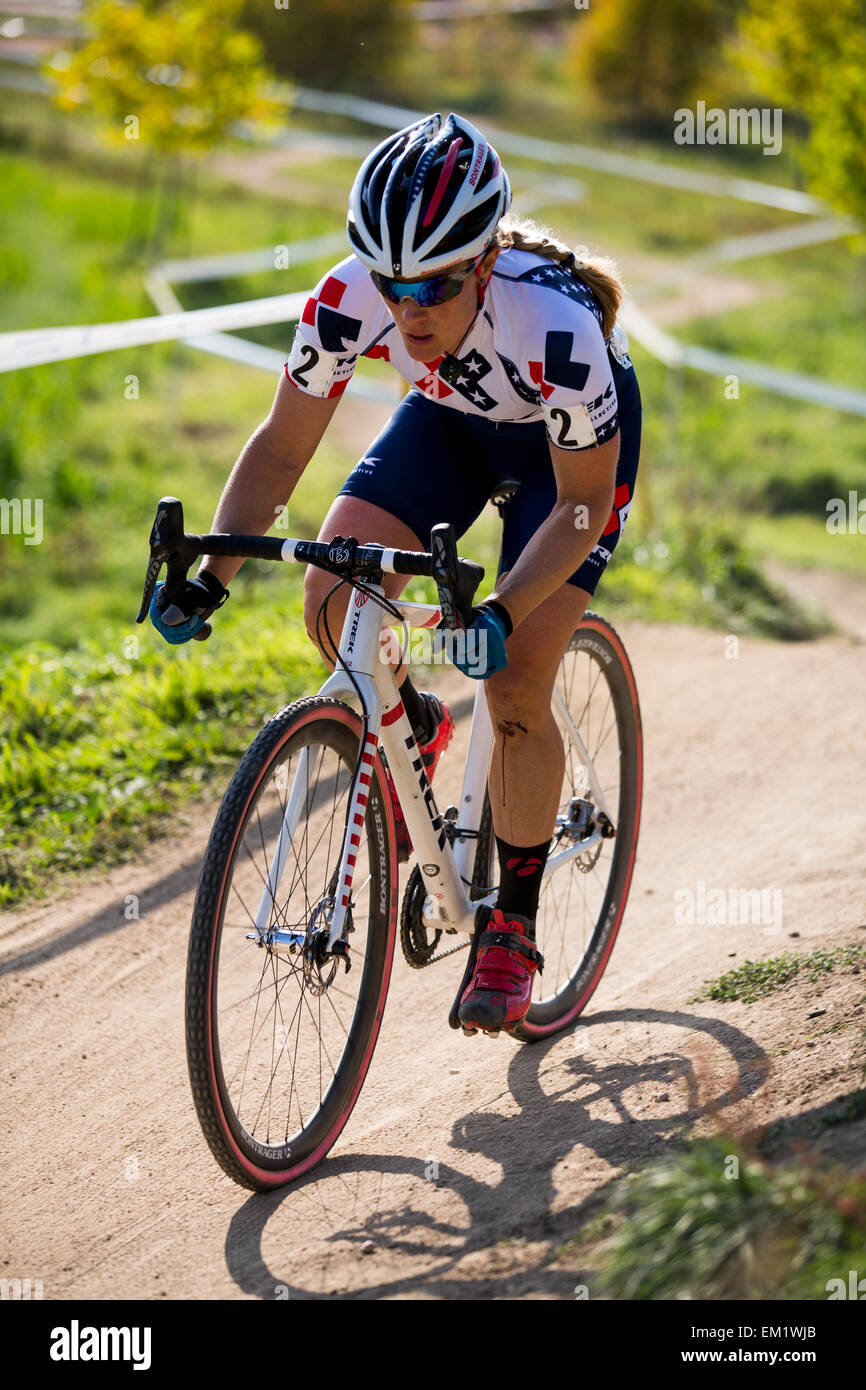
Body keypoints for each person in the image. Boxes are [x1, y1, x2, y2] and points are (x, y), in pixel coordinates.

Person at [150, 111, 641, 1036]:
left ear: (484, 265)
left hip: (561, 470)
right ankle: (410, 720)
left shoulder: (558, 332)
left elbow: (582, 506)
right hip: (451, 426)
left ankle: (514, 924)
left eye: (434, 286)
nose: (409, 310)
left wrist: (501, 611)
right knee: (331, 598)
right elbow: (281, 446)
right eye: (392, 284)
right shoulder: (346, 301)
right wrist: (211, 575)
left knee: (516, 680)